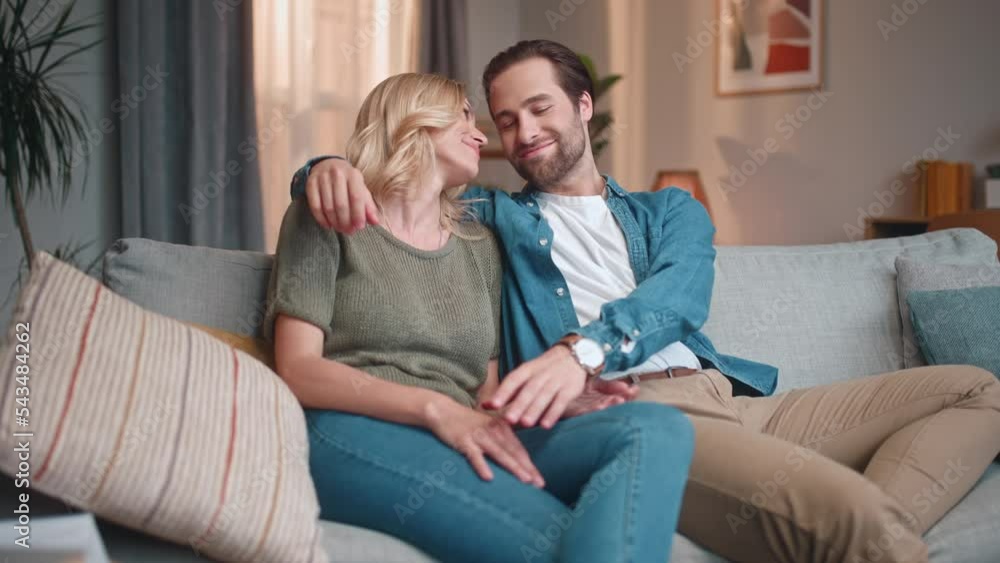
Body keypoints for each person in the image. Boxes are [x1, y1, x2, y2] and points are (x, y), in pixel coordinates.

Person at [288, 39, 1000, 563]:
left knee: (979, 390)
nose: (522, 132)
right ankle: (858, 530)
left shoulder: (669, 211)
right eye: (505, 120)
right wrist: (323, 167)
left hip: (737, 399)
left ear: (584, 107)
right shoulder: (491, 218)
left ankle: (852, 530)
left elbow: (680, 296)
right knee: (859, 522)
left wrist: (584, 350)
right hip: (642, 413)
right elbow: (397, 188)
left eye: (539, 108)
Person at [263, 72, 695, 563]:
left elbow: (484, 395)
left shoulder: (479, 245)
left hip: (460, 432)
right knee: (558, 543)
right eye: (464, 117)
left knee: (658, 427)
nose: (481, 135)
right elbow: (298, 369)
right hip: (353, 429)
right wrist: (435, 409)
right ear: (415, 121)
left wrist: (555, 405)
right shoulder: (325, 216)